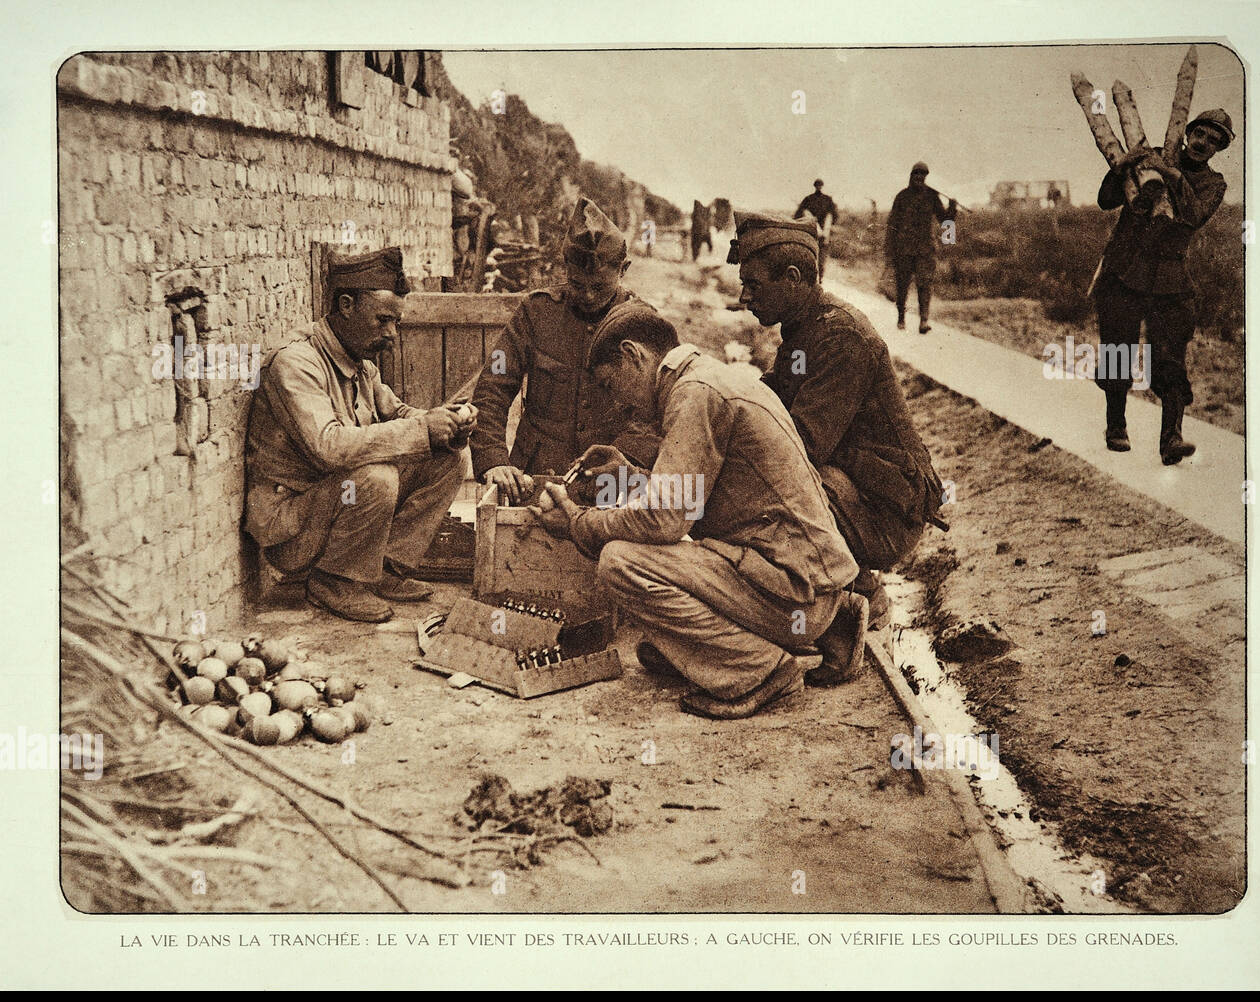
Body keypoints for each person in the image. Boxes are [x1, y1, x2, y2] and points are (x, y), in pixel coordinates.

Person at [528, 307, 862, 718]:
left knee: (619, 562)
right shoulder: (711, 378)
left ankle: (757, 670)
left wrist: (579, 524)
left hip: (794, 594)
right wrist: (630, 477)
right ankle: (834, 627)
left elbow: (665, 520)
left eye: (612, 386)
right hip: (805, 581)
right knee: (660, 634)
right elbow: (701, 495)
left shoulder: (695, 395)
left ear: (635, 356)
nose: (617, 403)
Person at [731, 212, 947, 681]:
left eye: (753, 284)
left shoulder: (840, 337)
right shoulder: (803, 330)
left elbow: (800, 446)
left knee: (764, 498)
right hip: (860, 494)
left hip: (886, 515)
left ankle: (850, 600)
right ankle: (833, 596)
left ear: (792, 279)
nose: (743, 297)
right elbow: (768, 400)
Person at [244, 247, 474, 623]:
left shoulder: (359, 363)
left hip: (331, 507)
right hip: (292, 529)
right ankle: (333, 581)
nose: (392, 335)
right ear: (346, 305)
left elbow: (396, 413)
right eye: (383, 320)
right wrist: (421, 429)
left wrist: (443, 424)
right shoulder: (295, 363)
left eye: (396, 323)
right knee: (377, 478)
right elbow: (329, 448)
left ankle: (385, 567)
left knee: (449, 458)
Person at [470, 196, 660, 504]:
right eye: (576, 283)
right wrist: (493, 460)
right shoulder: (535, 312)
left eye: (599, 287)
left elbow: (655, 414)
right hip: (534, 479)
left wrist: (623, 465)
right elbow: (492, 389)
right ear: (565, 267)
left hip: (610, 485)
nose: (586, 295)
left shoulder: (644, 323)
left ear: (623, 269)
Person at [1093, 108, 1233, 463]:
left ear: (1219, 150)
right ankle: (1116, 427)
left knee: (1170, 358)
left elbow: (1193, 217)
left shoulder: (1213, 184)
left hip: (1170, 279)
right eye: (1201, 134)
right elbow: (1106, 200)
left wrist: (1173, 176)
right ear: (1188, 133)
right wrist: (1124, 164)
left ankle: (1171, 438)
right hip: (1126, 269)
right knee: (1117, 350)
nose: (1205, 144)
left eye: (1215, 141)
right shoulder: (1151, 157)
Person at [885, 162, 957, 333]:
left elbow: (945, 221)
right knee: (902, 286)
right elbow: (892, 225)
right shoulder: (901, 197)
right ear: (911, 175)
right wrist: (890, 251)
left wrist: (952, 208)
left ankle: (924, 321)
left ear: (926, 177)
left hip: (925, 249)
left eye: (923, 175)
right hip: (904, 250)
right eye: (917, 174)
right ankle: (901, 317)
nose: (919, 177)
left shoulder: (932, 197)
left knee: (925, 284)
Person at [794, 178, 838, 280]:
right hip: (818, 232)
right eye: (818, 185)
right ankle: (818, 277)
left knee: (818, 255)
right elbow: (834, 216)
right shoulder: (825, 199)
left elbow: (798, 215)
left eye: (819, 185)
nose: (819, 187)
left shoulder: (810, 199)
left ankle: (819, 277)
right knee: (818, 256)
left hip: (815, 232)